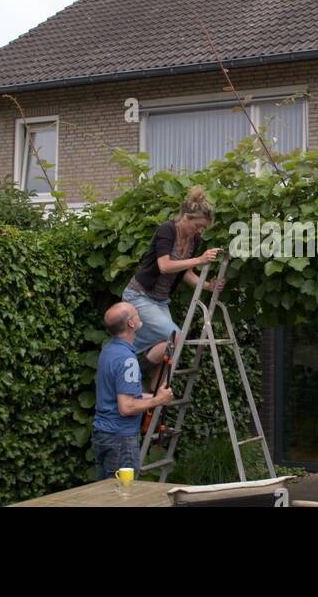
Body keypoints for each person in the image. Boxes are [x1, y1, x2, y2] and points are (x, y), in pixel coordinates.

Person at [122, 187, 225, 390]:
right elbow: (165, 265)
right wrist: (199, 259)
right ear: (186, 218)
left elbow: (185, 272)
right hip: (139, 296)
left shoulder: (194, 240)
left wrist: (207, 286)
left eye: (203, 228)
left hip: (160, 301)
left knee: (168, 347)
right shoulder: (167, 230)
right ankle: (139, 369)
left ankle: (154, 396)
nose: (200, 231)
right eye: (198, 225)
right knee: (175, 337)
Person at [92, 302, 173, 481]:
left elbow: (122, 395)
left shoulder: (109, 350)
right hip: (120, 439)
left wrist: (154, 396)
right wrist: (158, 401)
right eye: (136, 313)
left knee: (105, 494)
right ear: (131, 324)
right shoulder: (127, 359)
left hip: (103, 435)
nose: (139, 314)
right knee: (122, 496)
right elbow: (126, 407)